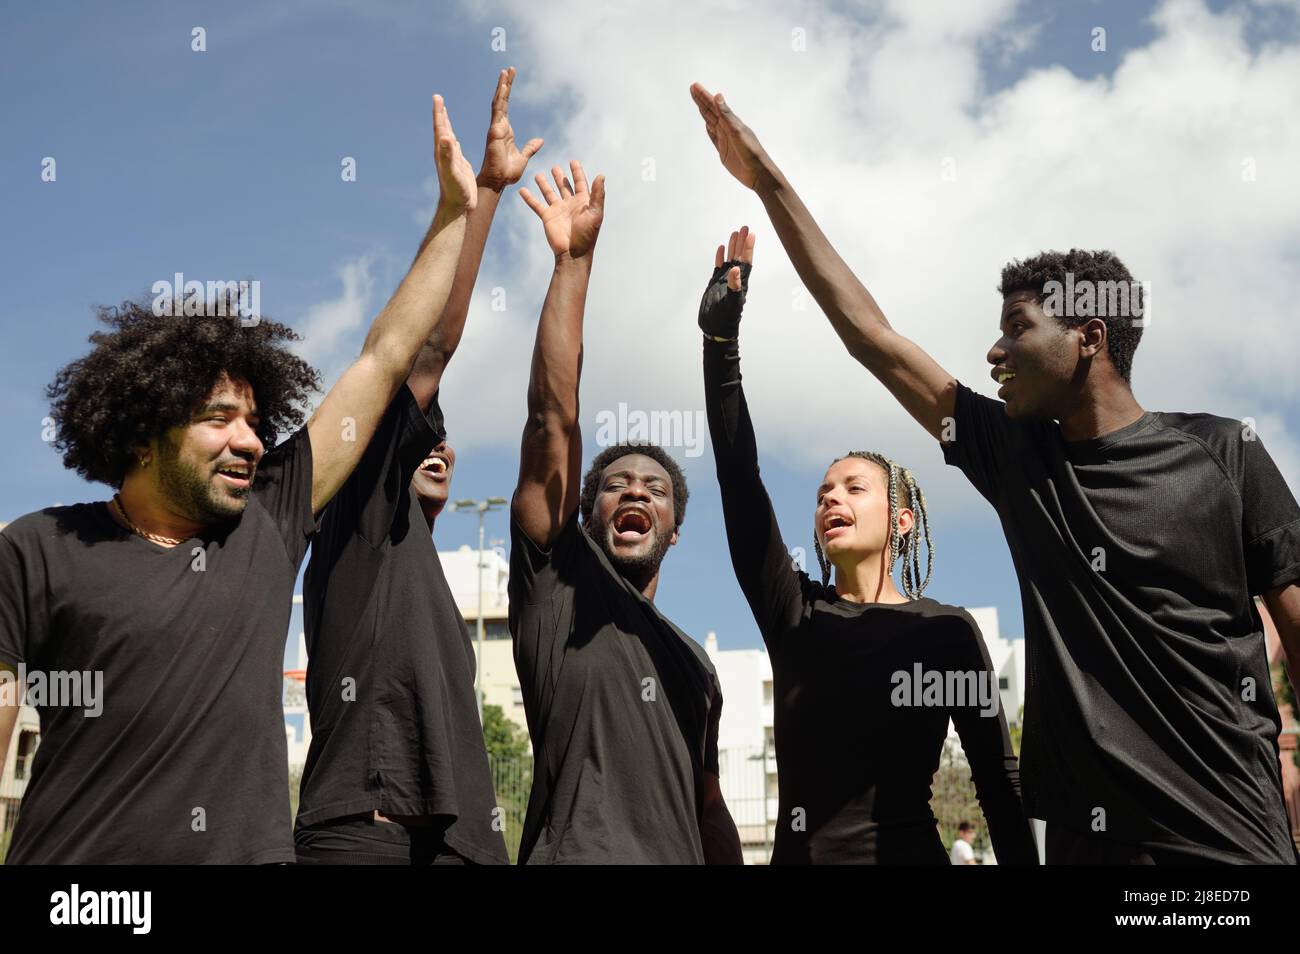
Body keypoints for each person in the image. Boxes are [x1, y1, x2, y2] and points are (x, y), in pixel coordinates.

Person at [690, 83, 1300, 864]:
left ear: (1088, 335)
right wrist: (769, 182)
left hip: (1230, 851)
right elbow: (870, 337)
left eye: (1018, 328)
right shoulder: (1019, 464)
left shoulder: (1226, 455)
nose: (994, 351)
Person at [0, 93, 479, 864]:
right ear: (145, 433)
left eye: (256, 422)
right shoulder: (39, 549)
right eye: (220, 418)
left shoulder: (269, 519)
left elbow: (384, 358)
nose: (250, 441)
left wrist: (457, 210)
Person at [701, 226, 1036, 865]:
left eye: (855, 488)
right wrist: (720, 346)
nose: (832, 499)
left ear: (903, 521)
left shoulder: (947, 633)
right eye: (825, 491)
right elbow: (739, 475)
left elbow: (999, 782)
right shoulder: (795, 611)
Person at [293, 69, 542, 866]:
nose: (436, 443)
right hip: (365, 839)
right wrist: (484, 200)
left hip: (465, 848)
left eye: (443, 439)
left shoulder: (431, 583)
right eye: (418, 434)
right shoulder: (359, 515)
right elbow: (426, 350)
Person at [506, 159, 742, 863]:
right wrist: (573, 264)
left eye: (656, 488)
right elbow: (552, 416)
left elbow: (709, 805)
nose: (637, 491)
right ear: (583, 514)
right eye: (615, 484)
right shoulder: (557, 582)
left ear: (675, 529)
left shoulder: (696, 665)